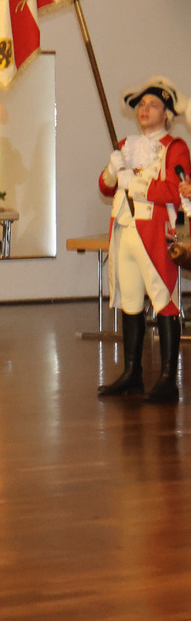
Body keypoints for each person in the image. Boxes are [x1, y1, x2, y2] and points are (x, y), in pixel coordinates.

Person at [98, 78, 190, 404]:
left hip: (154, 234)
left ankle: (167, 378)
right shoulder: (126, 143)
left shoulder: (175, 147)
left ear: (166, 113)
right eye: (140, 105)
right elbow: (106, 187)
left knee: (164, 300)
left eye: (151, 105)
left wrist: (134, 183)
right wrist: (112, 171)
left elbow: (174, 193)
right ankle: (132, 373)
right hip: (124, 230)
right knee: (131, 302)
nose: (143, 109)